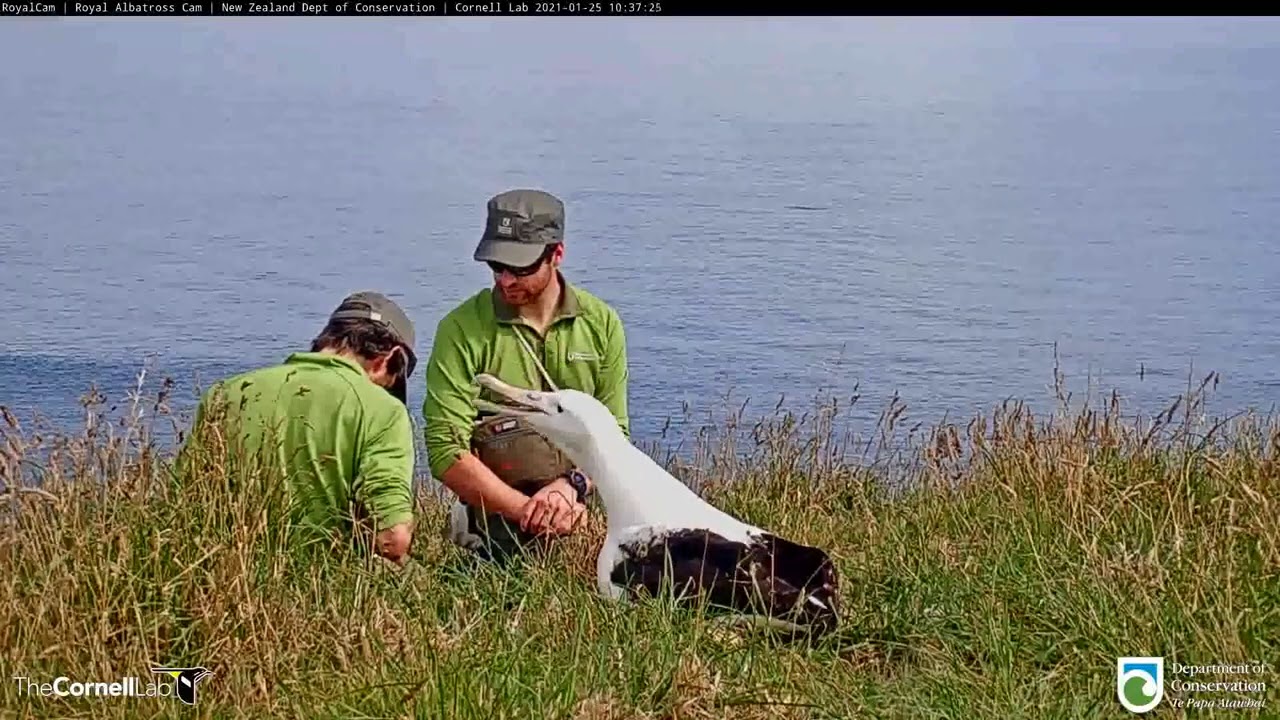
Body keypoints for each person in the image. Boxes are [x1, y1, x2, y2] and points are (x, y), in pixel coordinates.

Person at [423, 188, 630, 561]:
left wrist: (573, 486)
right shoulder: (459, 330)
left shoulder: (601, 324)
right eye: (496, 267)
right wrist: (528, 513)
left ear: (557, 255)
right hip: (486, 529)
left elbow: (616, 433)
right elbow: (445, 450)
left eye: (520, 268)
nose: (505, 281)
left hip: (582, 518)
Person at [181, 291, 419, 565]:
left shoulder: (225, 393)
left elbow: (187, 501)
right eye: (390, 382)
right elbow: (393, 538)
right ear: (388, 358)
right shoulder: (384, 410)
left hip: (225, 567)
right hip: (324, 579)